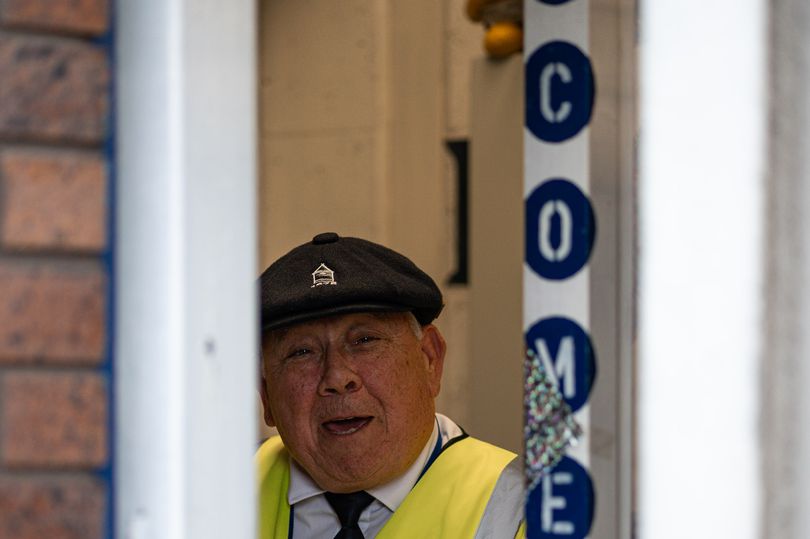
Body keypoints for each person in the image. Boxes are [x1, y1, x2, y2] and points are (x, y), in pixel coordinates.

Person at [257, 232, 525, 538]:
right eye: (301, 352)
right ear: (265, 393)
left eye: (364, 341)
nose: (337, 377)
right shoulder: (220, 492)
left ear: (430, 360)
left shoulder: (517, 509)